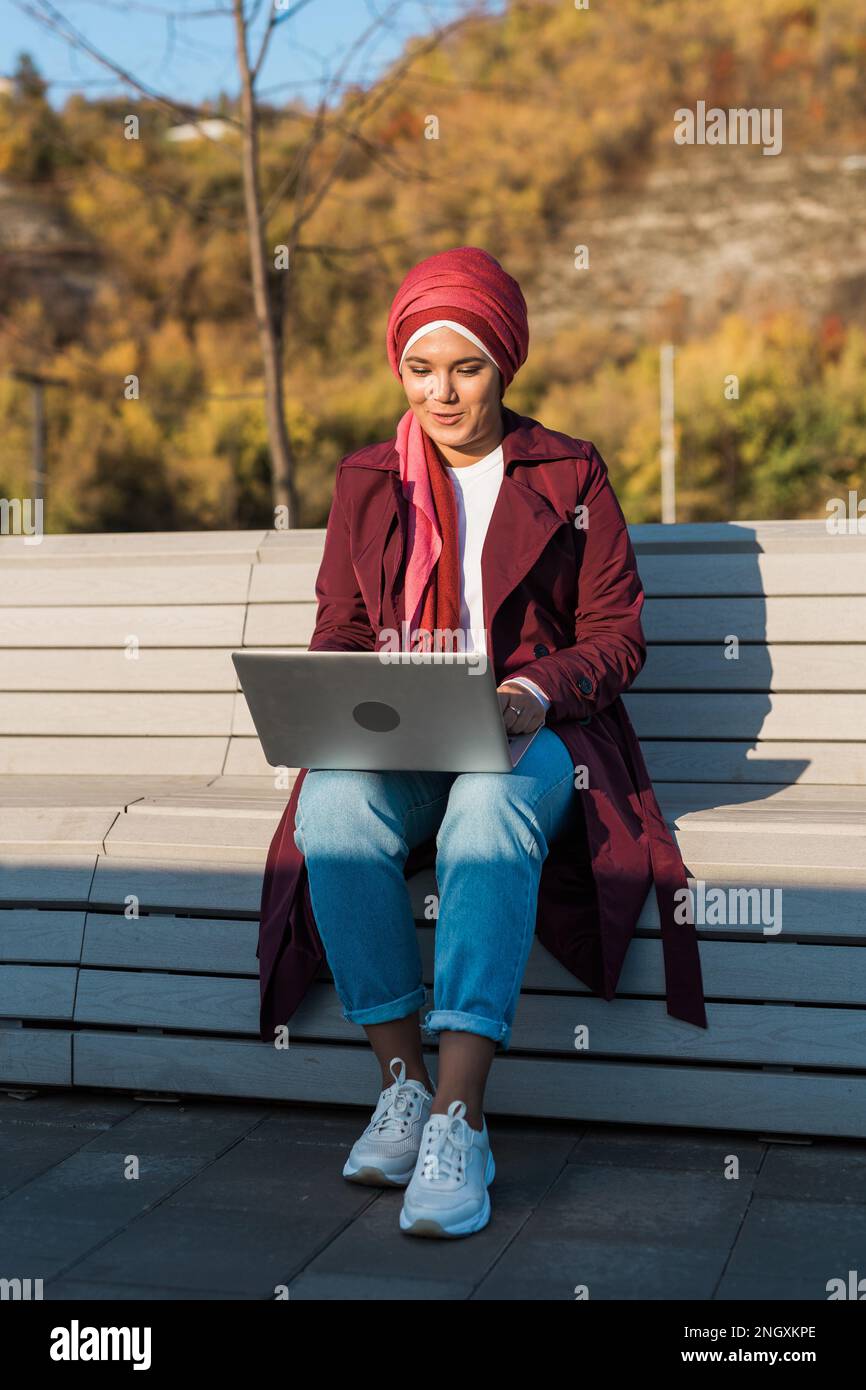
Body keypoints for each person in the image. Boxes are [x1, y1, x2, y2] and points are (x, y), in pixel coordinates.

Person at [264, 244, 707, 1241]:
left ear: (503, 362)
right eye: (420, 369)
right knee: (330, 803)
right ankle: (401, 1090)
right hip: (409, 739)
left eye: (464, 366)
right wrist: (344, 699)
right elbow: (338, 630)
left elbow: (616, 633)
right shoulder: (366, 479)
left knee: (488, 801)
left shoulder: (566, 468)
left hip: (541, 739)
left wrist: (530, 691)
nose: (441, 391)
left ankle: (461, 1116)